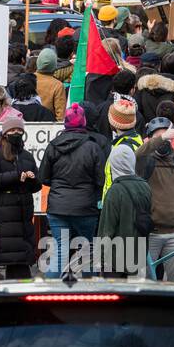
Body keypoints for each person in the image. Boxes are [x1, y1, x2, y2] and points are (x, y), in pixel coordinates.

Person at [38, 102, 106, 277]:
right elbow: (101, 180)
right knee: (88, 250)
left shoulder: (53, 145)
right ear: (83, 122)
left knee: (60, 250)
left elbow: (43, 178)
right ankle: (90, 292)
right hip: (85, 207)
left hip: (58, 207)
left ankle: (51, 290)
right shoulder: (93, 147)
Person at [0, 115, 41, 279]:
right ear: (5, 133)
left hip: (23, 216)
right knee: (11, 258)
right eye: (13, 130)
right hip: (3, 215)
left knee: (21, 261)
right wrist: (14, 176)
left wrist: (33, 179)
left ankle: (20, 293)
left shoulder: (27, 156)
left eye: (19, 130)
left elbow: (37, 185)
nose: (16, 133)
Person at [136, 120, 174, 281]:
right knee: (144, 281)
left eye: (167, 136)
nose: (164, 140)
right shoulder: (145, 161)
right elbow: (138, 154)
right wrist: (162, 137)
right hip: (151, 233)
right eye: (158, 136)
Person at [97, 140, 153, 277]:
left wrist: (100, 260)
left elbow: (106, 230)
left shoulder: (114, 191)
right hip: (138, 257)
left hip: (115, 260)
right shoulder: (145, 187)